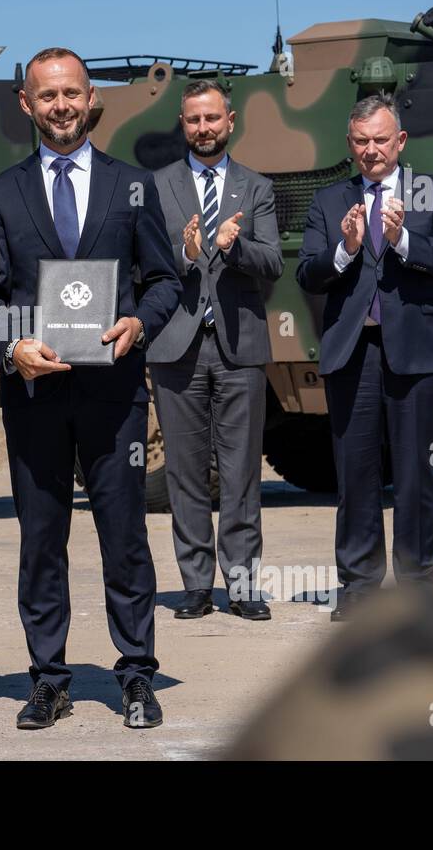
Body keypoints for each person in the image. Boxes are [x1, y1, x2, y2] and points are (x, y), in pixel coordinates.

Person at [0, 47, 181, 730]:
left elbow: (163, 280)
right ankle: (49, 678)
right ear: (26, 104)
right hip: (34, 395)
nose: (61, 107)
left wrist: (139, 323)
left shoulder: (133, 185)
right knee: (41, 539)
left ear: (90, 98)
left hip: (114, 391)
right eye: (47, 96)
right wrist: (12, 348)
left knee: (124, 536)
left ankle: (135, 675)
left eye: (71, 94)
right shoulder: (0, 193)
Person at [296, 92, 433, 621]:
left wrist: (402, 239)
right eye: (362, 141)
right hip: (354, 353)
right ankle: (359, 589)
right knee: (356, 475)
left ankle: (418, 588)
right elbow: (306, 272)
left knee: (418, 475)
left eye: (381, 140)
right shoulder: (328, 201)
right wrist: (345, 249)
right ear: (350, 144)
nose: (372, 150)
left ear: (401, 142)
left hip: (419, 353)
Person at [146, 79, 283, 621]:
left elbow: (272, 262)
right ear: (184, 126)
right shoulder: (156, 187)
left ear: (230, 121)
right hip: (177, 345)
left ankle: (244, 587)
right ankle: (197, 585)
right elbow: (145, 268)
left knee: (241, 471)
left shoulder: (256, 187)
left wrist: (235, 246)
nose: (203, 128)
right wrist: (186, 251)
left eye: (211, 119)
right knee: (184, 471)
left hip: (238, 346)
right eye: (192, 121)